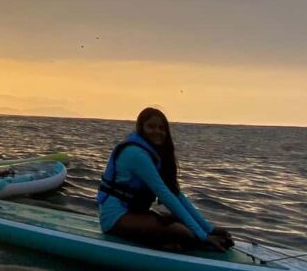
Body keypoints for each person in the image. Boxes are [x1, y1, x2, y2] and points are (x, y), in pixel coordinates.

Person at [96, 107, 233, 251]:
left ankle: (180, 242)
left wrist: (208, 229)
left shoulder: (153, 154)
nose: (157, 131)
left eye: (162, 128)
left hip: (135, 214)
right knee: (182, 232)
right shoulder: (135, 154)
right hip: (115, 218)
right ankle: (170, 246)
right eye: (151, 126)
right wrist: (202, 236)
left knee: (185, 225)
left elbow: (175, 193)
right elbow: (164, 195)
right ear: (140, 128)